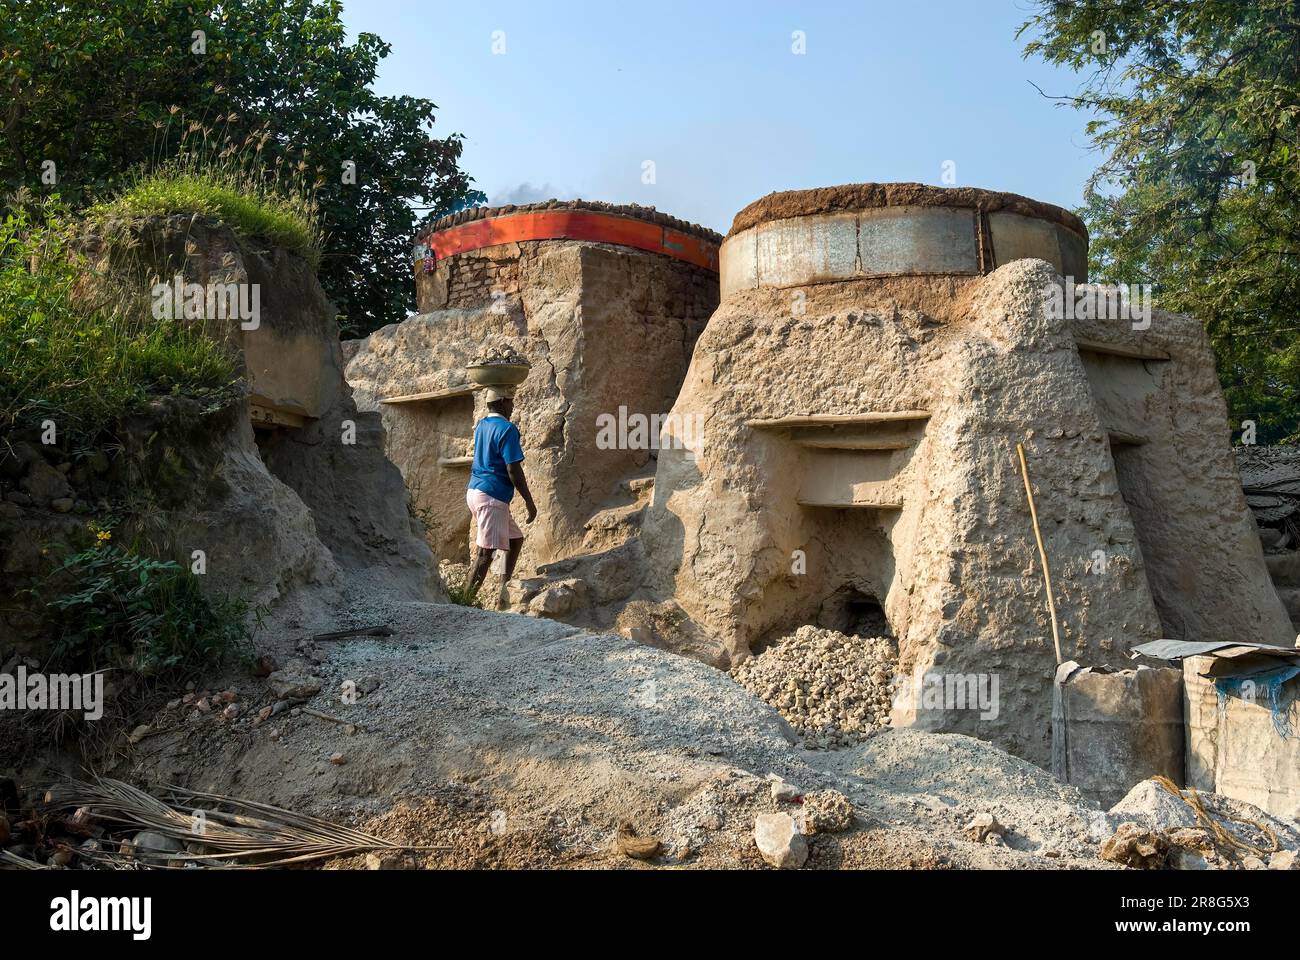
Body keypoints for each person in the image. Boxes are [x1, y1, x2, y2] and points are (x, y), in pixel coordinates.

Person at [465, 390, 536, 597]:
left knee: (514, 540)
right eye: (512, 402)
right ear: (504, 402)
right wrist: (529, 503)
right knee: (484, 554)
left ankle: (502, 592)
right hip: (492, 497)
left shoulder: (482, 425)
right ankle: (463, 603)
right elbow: (513, 469)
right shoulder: (507, 429)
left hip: (475, 491)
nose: (513, 407)